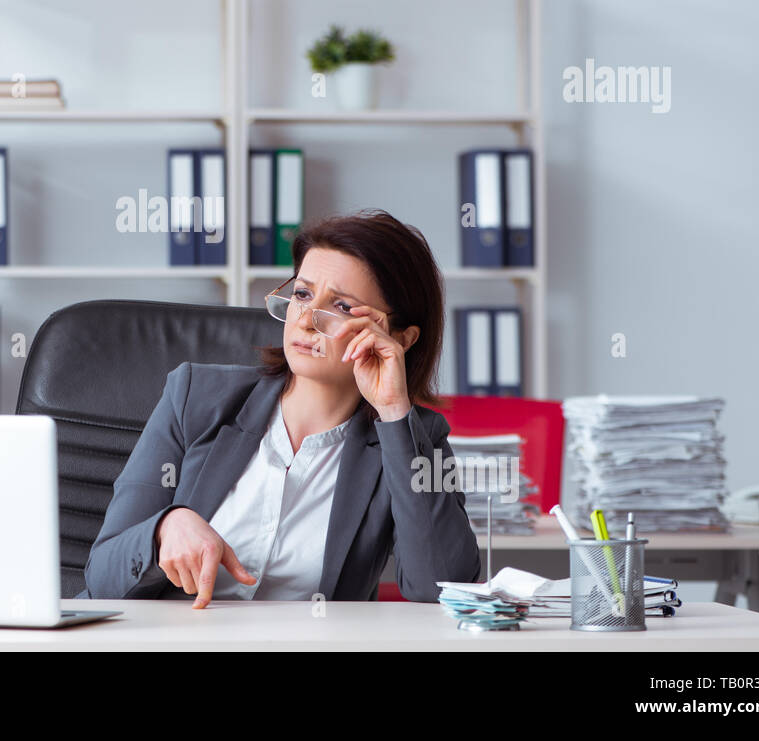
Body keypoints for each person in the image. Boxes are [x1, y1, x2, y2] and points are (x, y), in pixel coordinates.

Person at [79, 209, 482, 606]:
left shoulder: (414, 437)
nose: (306, 320)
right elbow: (102, 575)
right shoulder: (195, 396)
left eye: (341, 307)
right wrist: (164, 529)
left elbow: (440, 585)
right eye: (303, 294)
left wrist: (394, 412)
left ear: (400, 337)